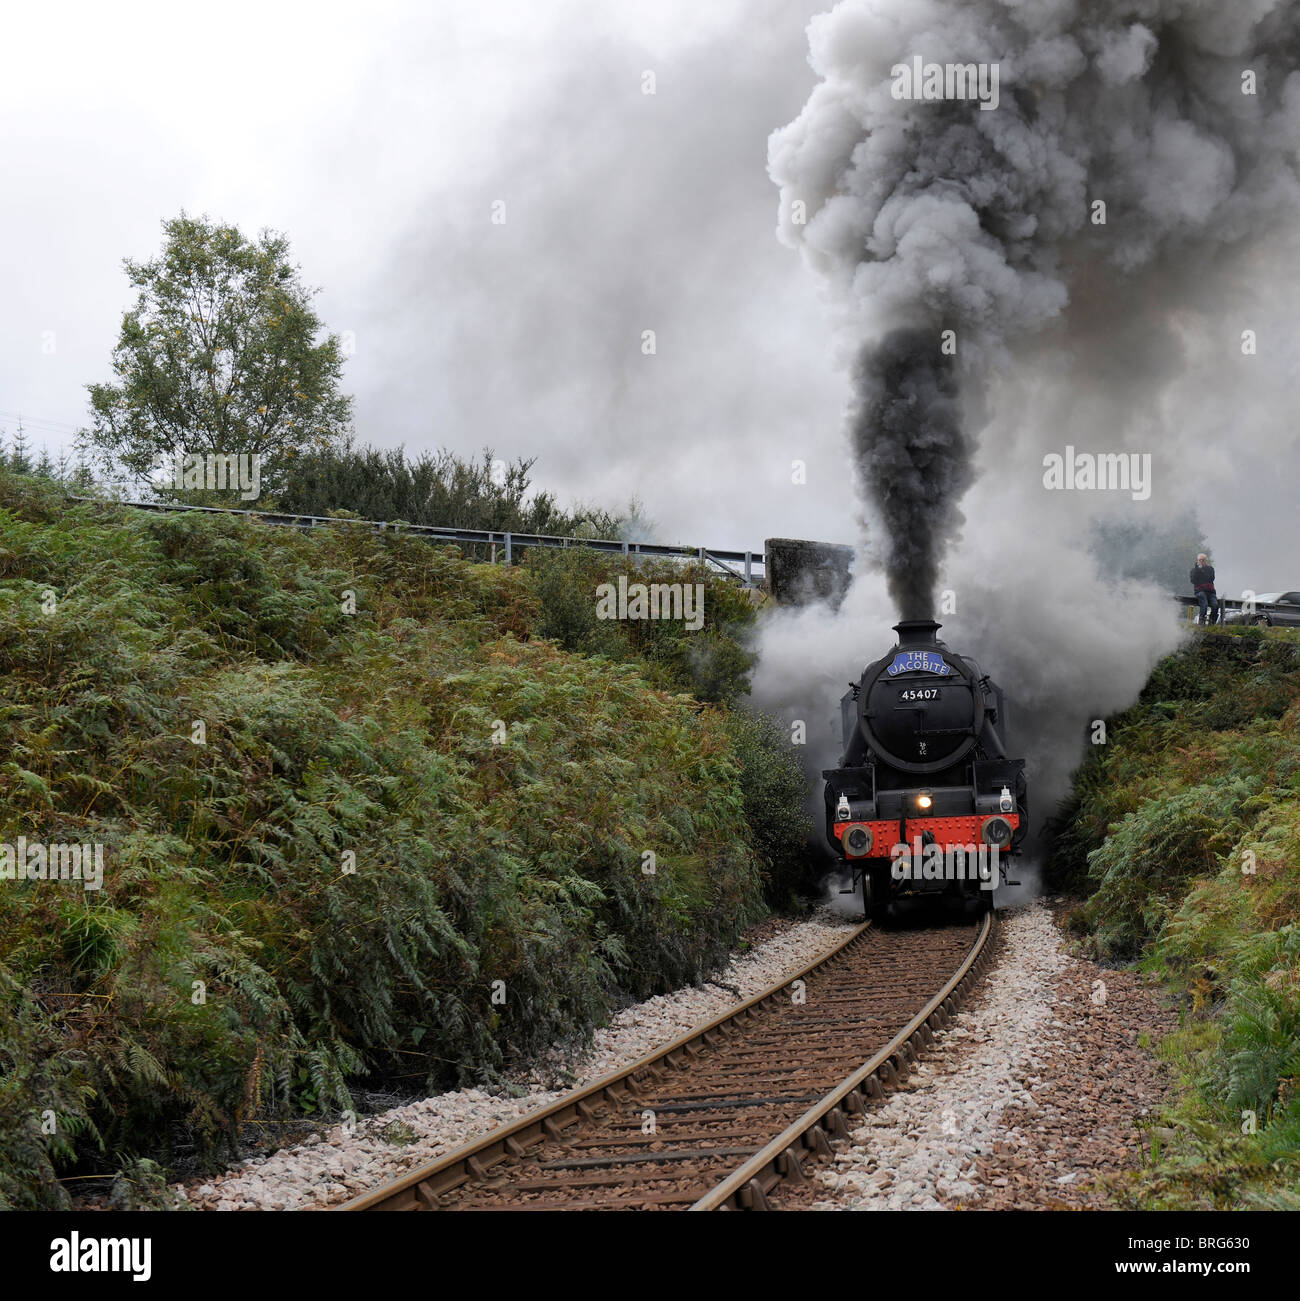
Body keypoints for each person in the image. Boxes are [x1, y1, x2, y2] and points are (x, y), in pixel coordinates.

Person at [1190, 552, 1219, 626]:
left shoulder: (1210, 569)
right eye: (1200, 560)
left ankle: (1211, 624)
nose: (1201, 562)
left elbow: (1210, 578)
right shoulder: (1194, 570)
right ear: (1197, 561)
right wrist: (1197, 570)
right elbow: (1193, 580)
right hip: (1199, 591)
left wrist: (1202, 571)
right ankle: (1201, 623)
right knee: (1204, 605)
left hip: (1210, 592)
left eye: (1203, 560)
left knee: (1215, 605)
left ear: (1206, 561)